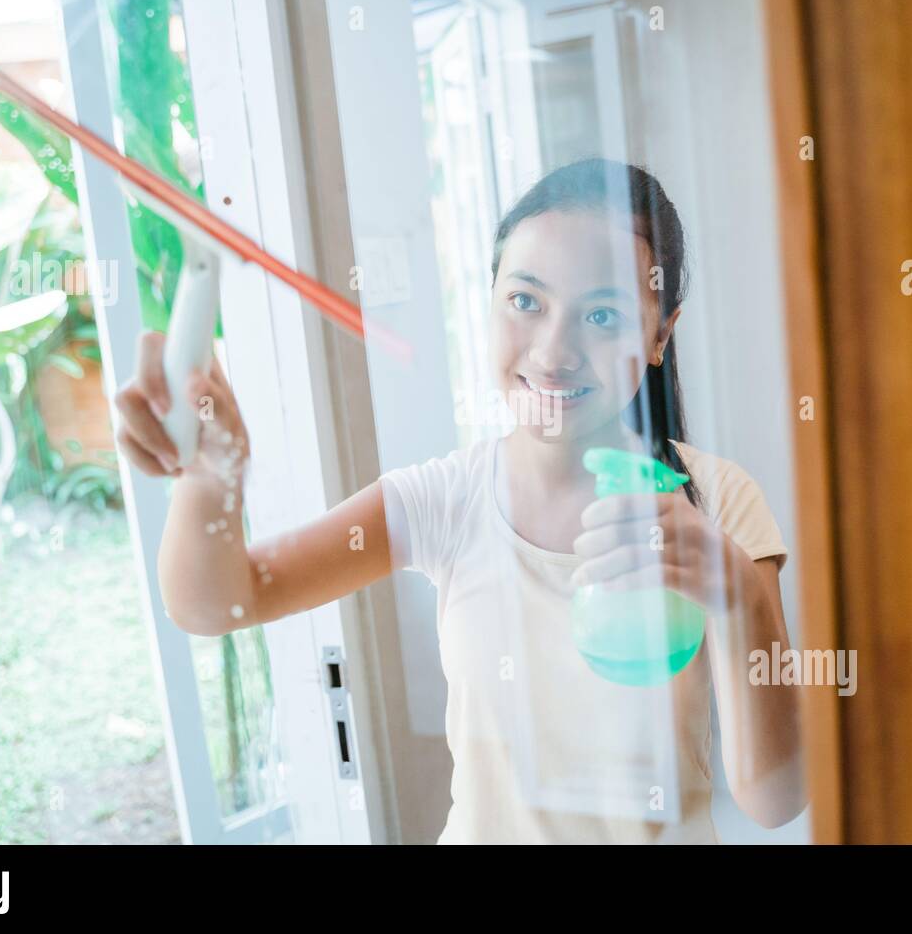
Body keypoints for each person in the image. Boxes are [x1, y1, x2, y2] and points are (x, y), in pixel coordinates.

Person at [114, 158, 805, 843]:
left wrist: (736, 591)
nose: (554, 350)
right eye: (527, 301)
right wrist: (211, 476)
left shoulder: (713, 500)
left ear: (660, 333)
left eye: (602, 313)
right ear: (490, 299)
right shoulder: (443, 499)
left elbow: (776, 799)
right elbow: (217, 602)